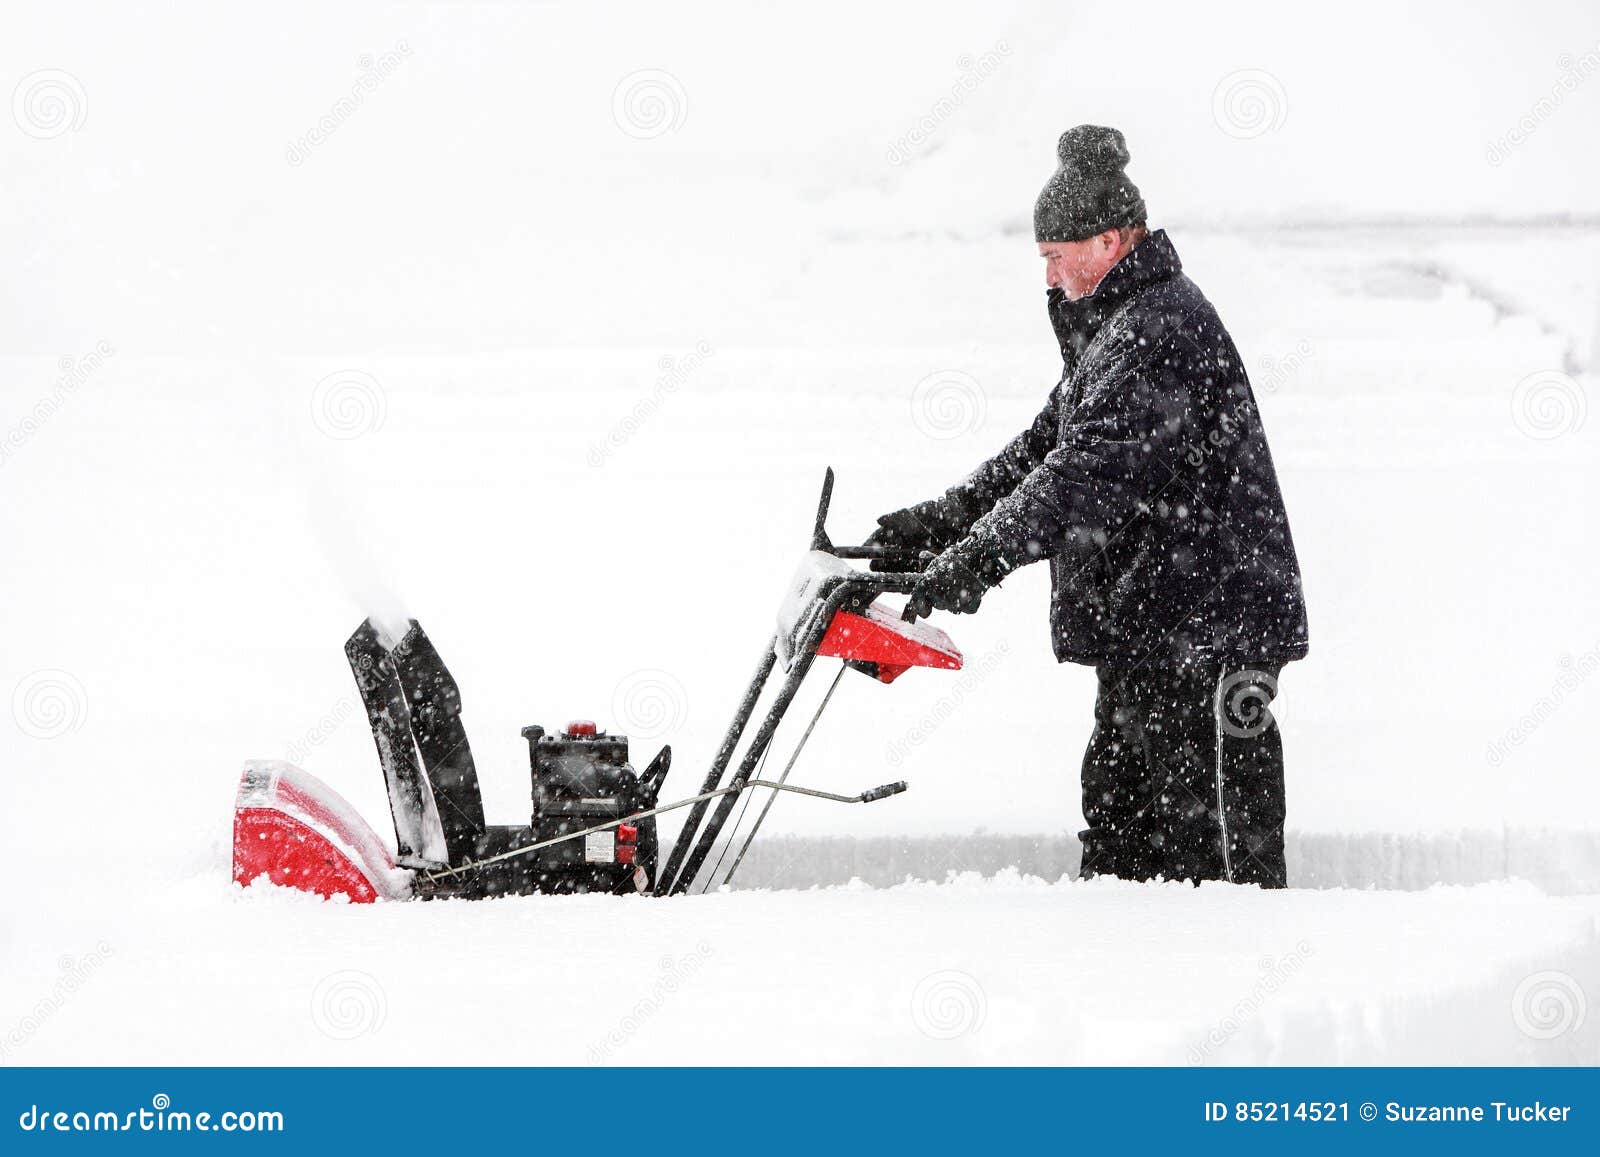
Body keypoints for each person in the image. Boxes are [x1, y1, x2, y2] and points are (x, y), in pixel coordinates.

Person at [867, 125, 1309, 887]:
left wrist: (978, 558)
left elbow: (1086, 477)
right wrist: (943, 521)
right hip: (1150, 640)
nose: (1048, 277)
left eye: (1053, 256)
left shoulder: (1161, 330)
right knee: (1119, 848)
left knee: (1215, 875)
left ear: (1107, 241)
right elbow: (1043, 449)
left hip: (1205, 649)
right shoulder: (1117, 330)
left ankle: (1246, 997)